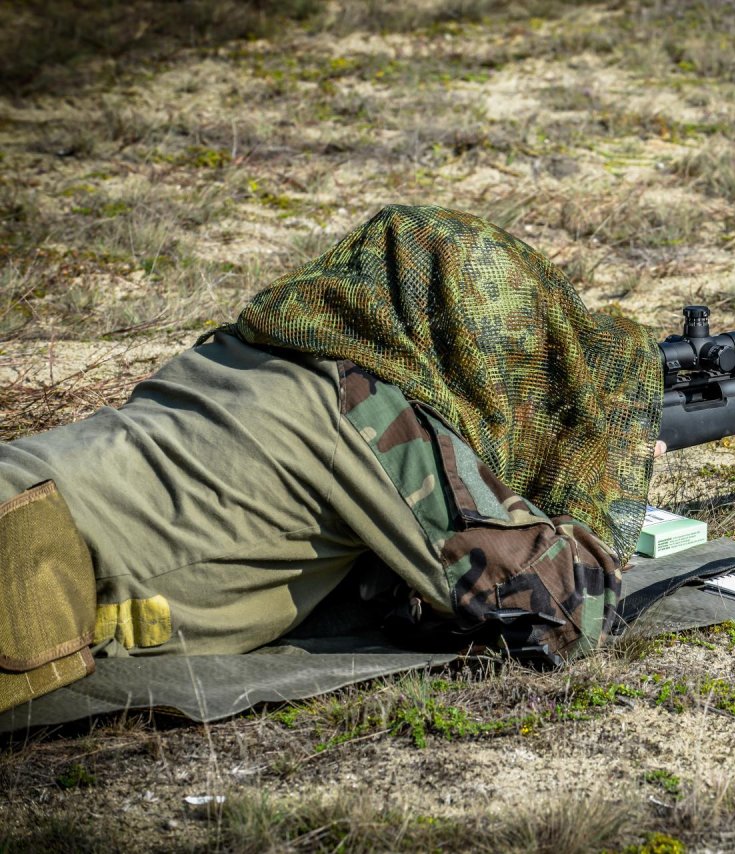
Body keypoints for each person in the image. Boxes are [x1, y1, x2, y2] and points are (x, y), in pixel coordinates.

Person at [0, 204, 664, 714]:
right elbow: (564, 613)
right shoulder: (366, 407)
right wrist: (596, 485)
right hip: (23, 564)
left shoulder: (255, 342)